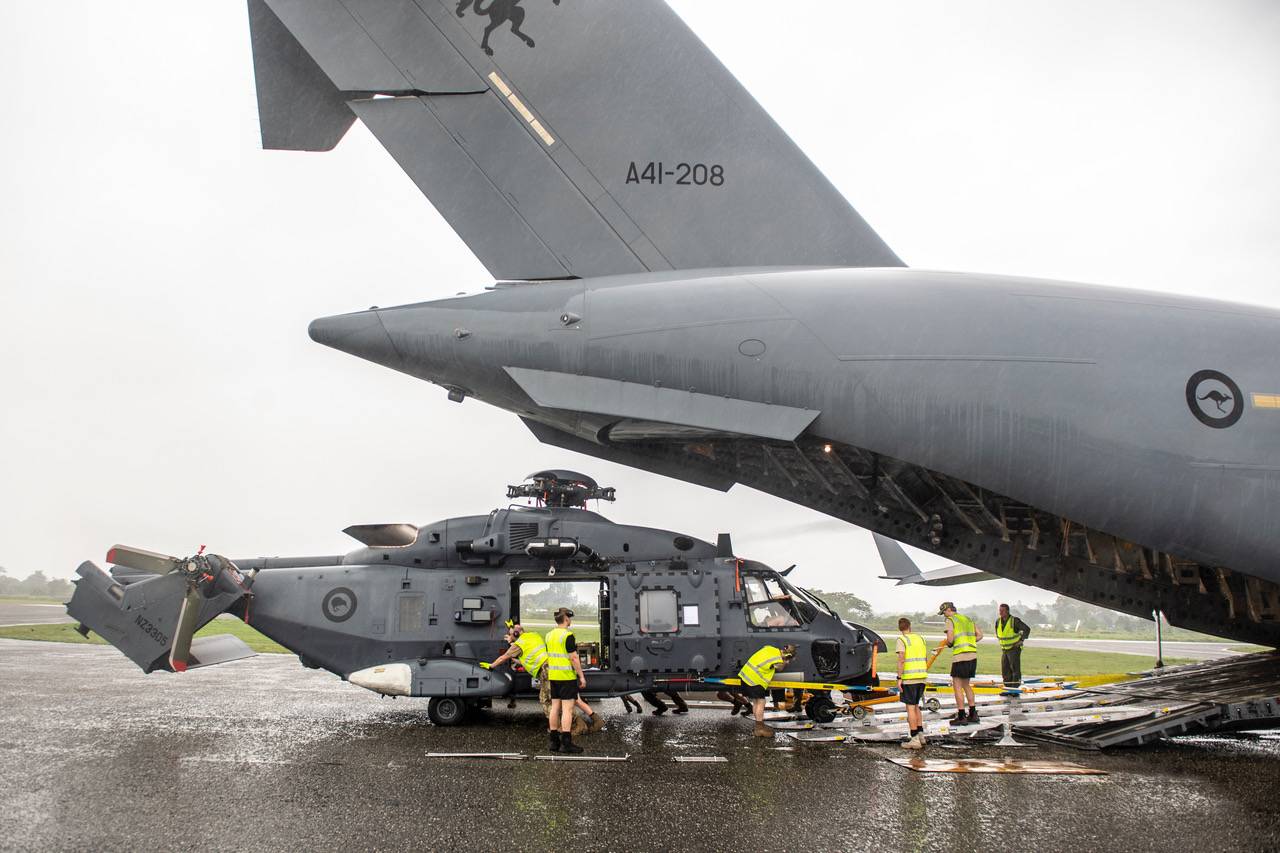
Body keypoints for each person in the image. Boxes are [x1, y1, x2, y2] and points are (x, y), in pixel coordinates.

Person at [545, 607, 588, 753]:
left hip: (554, 676)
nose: (571, 621)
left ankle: (554, 742)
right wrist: (581, 676)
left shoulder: (549, 635)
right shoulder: (568, 635)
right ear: (566, 619)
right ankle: (566, 744)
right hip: (566, 677)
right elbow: (574, 658)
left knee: (555, 708)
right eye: (570, 618)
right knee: (567, 710)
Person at [937, 601, 983, 725]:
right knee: (966, 685)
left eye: (944, 613)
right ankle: (973, 714)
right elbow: (980, 635)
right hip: (972, 655)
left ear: (948, 610)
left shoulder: (950, 620)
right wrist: (969, 641)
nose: (944, 616)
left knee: (957, 686)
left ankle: (961, 715)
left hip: (960, 656)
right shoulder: (967, 619)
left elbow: (950, 640)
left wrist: (949, 643)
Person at [737, 643, 797, 737]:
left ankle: (758, 726)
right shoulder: (778, 659)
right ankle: (759, 728)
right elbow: (780, 668)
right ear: (787, 655)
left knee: (756, 702)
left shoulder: (770, 649)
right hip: (754, 679)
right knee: (761, 702)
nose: (788, 662)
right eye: (789, 659)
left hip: (746, 675)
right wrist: (784, 662)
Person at [895, 617, 930, 749]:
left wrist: (899, 677)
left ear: (899, 628)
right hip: (921, 676)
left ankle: (914, 738)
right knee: (916, 706)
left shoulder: (901, 640)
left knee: (910, 708)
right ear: (910, 626)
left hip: (909, 678)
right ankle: (921, 736)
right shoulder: (920, 638)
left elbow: (901, 660)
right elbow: (925, 658)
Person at [995, 603, 1032, 691]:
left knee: (1014, 669)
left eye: (1002, 611)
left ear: (1007, 611)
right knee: (1005, 669)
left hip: (1014, 649)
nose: (1000, 612)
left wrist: (1021, 640)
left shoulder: (1014, 620)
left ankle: (1015, 689)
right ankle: (1008, 688)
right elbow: (998, 633)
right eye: (999, 610)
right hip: (1004, 649)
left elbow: (1027, 629)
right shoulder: (998, 621)